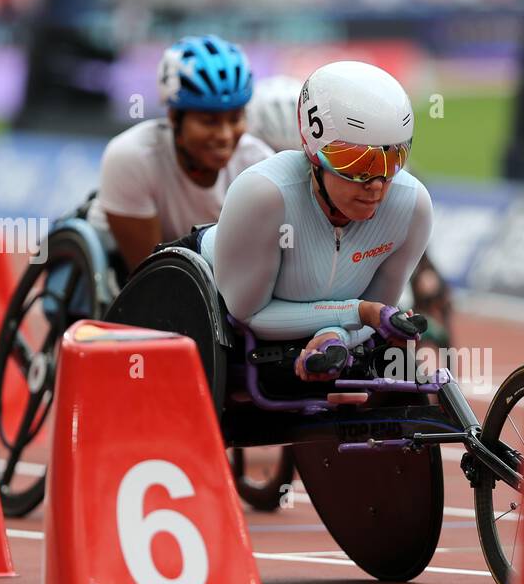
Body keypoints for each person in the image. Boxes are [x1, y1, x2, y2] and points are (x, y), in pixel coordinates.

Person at [199, 60, 433, 381]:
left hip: (324, 336)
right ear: (314, 152)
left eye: (393, 162)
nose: (376, 185)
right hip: (215, 310)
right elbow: (248, 314)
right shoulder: (262, 194)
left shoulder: (413, 205)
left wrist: (335, 337)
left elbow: (379, 314)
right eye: (355, 163)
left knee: (410, 368)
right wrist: (355, 316)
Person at [244, 72, 455, 350]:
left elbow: (410, 251)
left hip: (358, 305)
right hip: (279, 308)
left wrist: (428, 275)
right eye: (272, 154)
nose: (376, 186)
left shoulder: (402, 188)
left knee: (430, 300)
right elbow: (247, 309)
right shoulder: (251, 183)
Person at [86, 34, 272, 271]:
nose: (225, 135)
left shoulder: (258, 163)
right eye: (209, 121)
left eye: (235, 118)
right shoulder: (131, 157)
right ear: (174, 117)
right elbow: (150, 277)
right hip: (125, 271)